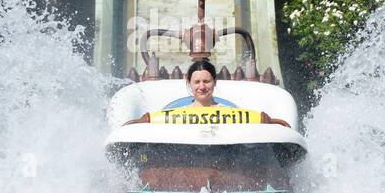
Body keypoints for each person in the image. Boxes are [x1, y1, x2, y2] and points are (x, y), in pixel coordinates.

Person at [123, 59, 290, 126]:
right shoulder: (175, 115)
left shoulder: (229, 112)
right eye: (197, 82)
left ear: (214, 82)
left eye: (206, 81)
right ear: (189, 84)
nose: (202, 86)